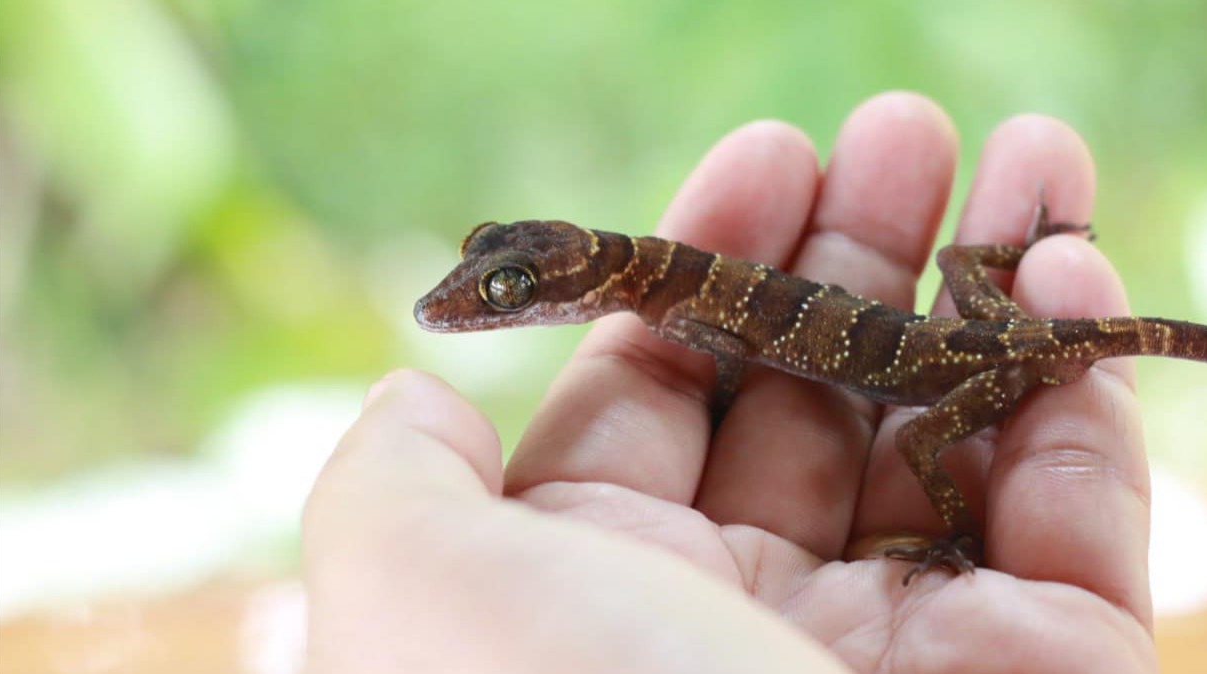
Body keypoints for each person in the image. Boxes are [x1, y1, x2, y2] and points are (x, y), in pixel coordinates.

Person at [301, 93, 1156, 673]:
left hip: (976, 369)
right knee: (957, 260)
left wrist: (721, 399)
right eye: (496, 277)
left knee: (922, 442)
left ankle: (958, 538)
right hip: (984, 335)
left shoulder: (674, 317)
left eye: (507, 291)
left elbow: (733, 358)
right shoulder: (668, 295)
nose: (463, 306)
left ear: (586, 292)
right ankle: (1030, 253)